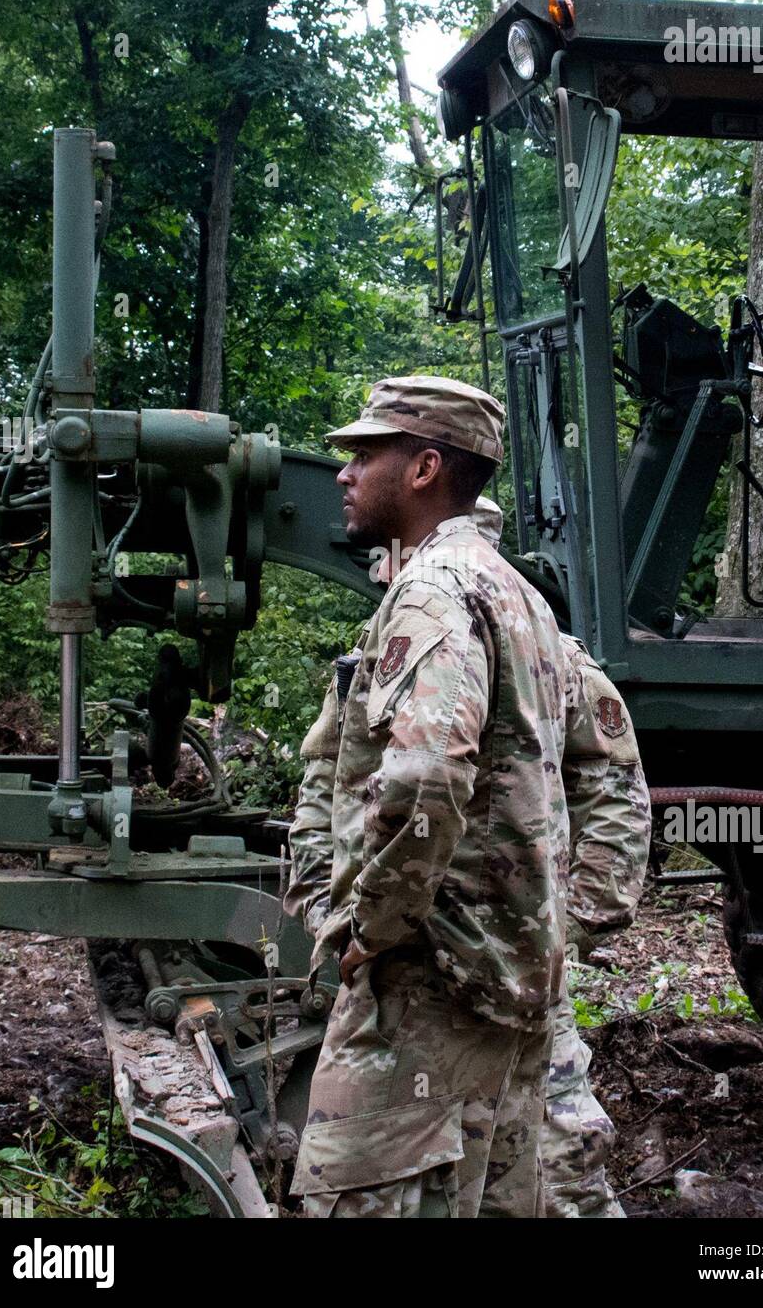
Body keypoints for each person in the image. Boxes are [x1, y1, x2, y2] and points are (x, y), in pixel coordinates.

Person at [283, 374, 572, 1218]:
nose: (343, 473)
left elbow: (425, 779)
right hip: (504, 974)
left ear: (424, 469)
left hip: (427, 989)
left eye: (364, 454)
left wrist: (369, 929)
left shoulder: (435, 591)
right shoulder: (520, 597)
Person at [470, 500, 651, 1219]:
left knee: (559, 1147)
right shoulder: (397, 652)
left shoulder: (556, 661)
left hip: (520, 950)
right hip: (425, 961)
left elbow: (616, 791)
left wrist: (575, 923)